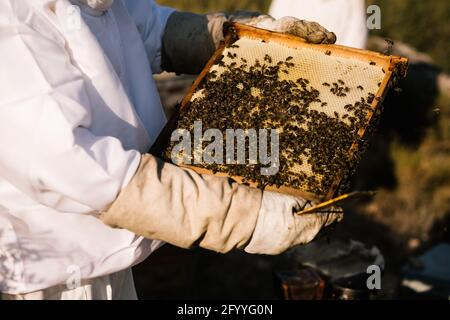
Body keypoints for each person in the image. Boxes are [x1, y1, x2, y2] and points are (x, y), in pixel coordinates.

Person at [0, 0, 342, 300]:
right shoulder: (12, 22)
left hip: (108, 258)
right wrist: (245, 218)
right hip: (46, 277)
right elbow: (85, 172)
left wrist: (242, 38)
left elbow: (143, 27)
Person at [269, 0, 368, 49]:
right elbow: (273, 34)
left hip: (334, 72)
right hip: (290, 59)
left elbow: (355, 42)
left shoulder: (353, 3)